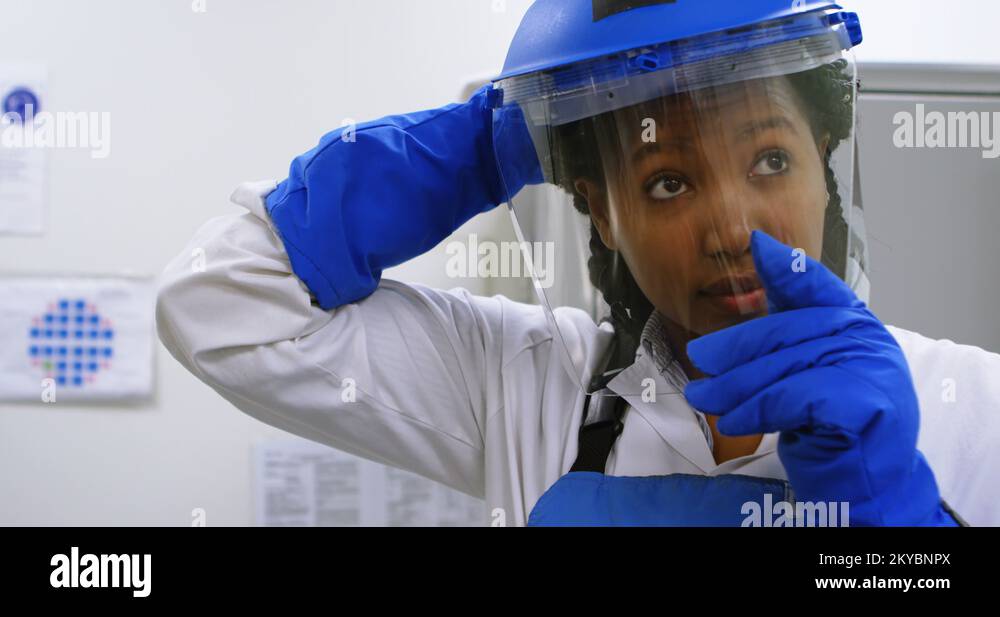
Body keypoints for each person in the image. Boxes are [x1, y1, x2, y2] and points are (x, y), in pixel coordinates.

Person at [156, 0, 999, 526]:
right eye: (666, 180)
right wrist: (486, 148)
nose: (730, 230)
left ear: (825, 161)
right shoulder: (529, 382)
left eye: (770, 161)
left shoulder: (974, 406)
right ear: (601, 210)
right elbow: (222, 302)